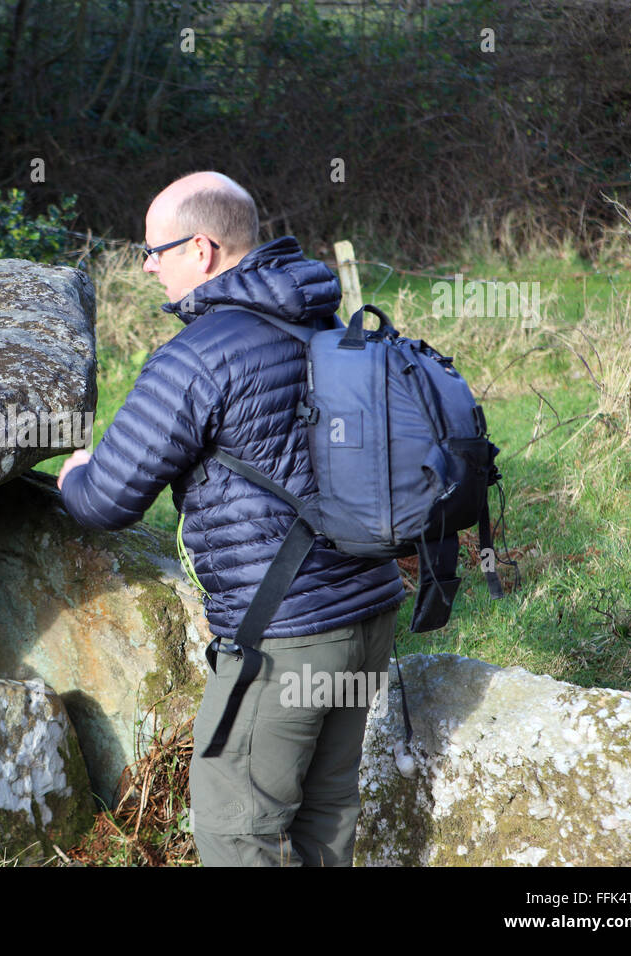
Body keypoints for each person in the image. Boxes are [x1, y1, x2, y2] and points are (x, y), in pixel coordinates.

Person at [56, 171, 404, 866]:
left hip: (286, 637)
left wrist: (71, 475)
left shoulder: (197, 356)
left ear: (204, 249)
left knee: (232, 826)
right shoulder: (323, 320)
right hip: (370, 615)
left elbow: (107, 501)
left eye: (156, 250)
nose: (148, 266)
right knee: (326, 810)